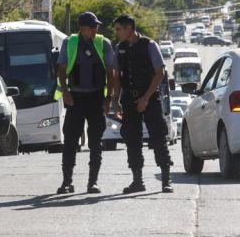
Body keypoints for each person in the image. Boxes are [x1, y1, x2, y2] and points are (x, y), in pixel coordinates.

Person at [56, 11, 117, 194]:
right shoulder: (70, 43)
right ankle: (67, 182)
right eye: (93, 27)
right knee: (70, 141)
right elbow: (61, 69)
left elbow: (111, 73)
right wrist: (65, 92)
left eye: (96, 26)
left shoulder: (103, 43)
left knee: (96, 142)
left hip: (96, 98)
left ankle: (93, 182)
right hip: (75, 98)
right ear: (83, 29)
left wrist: (108, 100)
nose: (96, 29)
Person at [113, 14, 174, 194]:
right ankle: (137, 181)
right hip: (129, 101)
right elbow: (117, 77)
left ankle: (166, 179)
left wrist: (146, 98)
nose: (116, 33)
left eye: (119, 29)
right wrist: (116, 100)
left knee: (158, 137)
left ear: (129, 28)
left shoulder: (149, 45)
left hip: (150, 99)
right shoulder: (120, 48)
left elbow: (159, 73)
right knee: (132, 139)